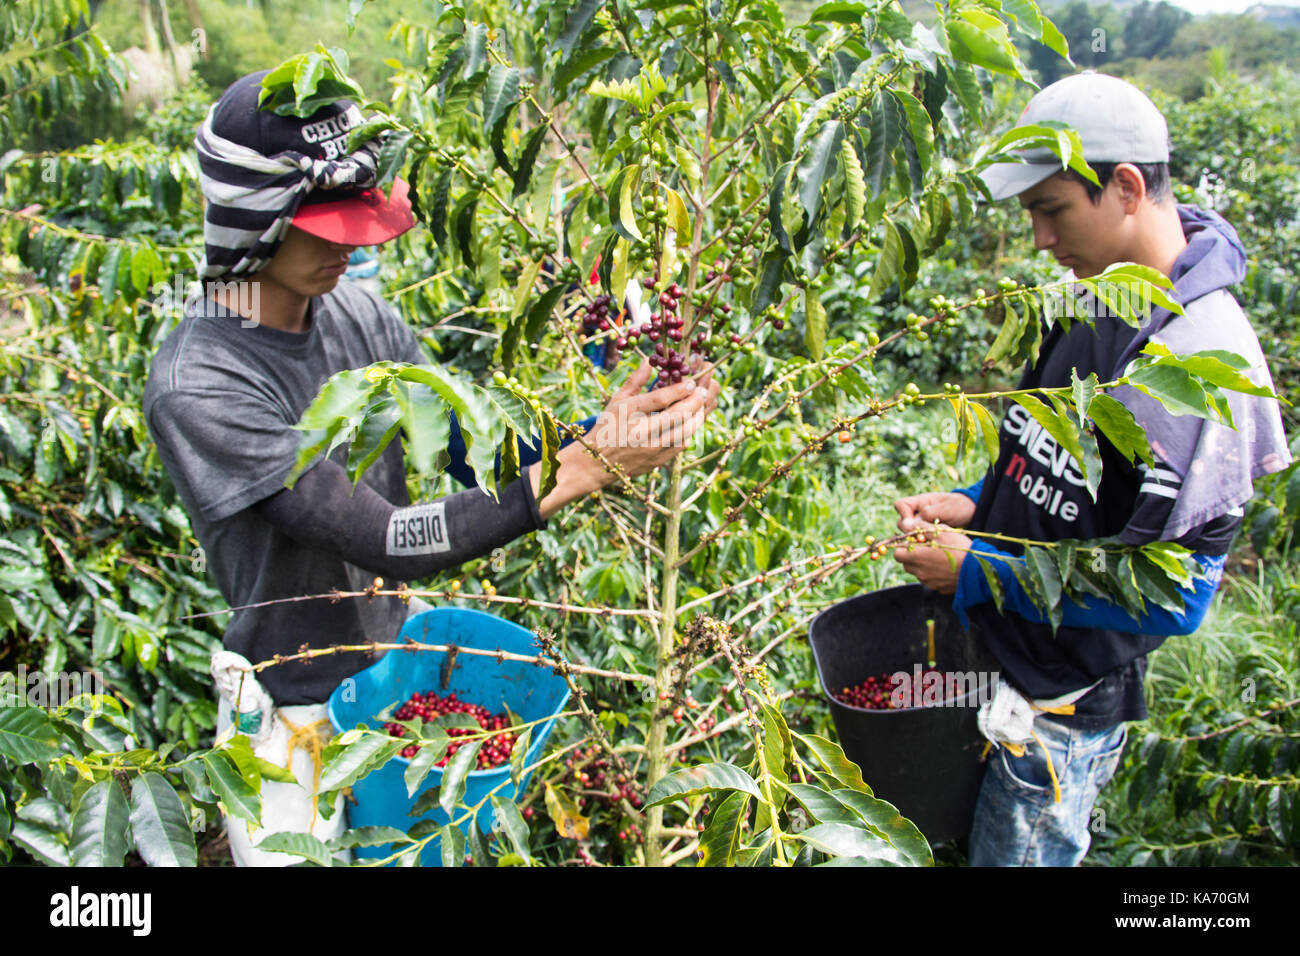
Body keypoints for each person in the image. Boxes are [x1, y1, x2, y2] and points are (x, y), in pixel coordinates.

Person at [143, 71, 720, 865]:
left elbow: (471, 447)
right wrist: (582, 470)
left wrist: (608, 430)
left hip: (394, 680)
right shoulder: (201, 383)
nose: (348, 246)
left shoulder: (357, 313)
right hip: (293, 706)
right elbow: (379, 536)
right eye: (322, 227)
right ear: (254, 218)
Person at [891, 72, 1290, 866]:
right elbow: (1075, 483)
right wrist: (980, 503)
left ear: (1128, 187)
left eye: (1052, 210)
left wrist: (978, 573)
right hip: (999, 669)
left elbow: (1172, 597)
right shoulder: (1093, 293)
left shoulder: (1200, 363)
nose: (1040, 238)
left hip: (1057, 716)